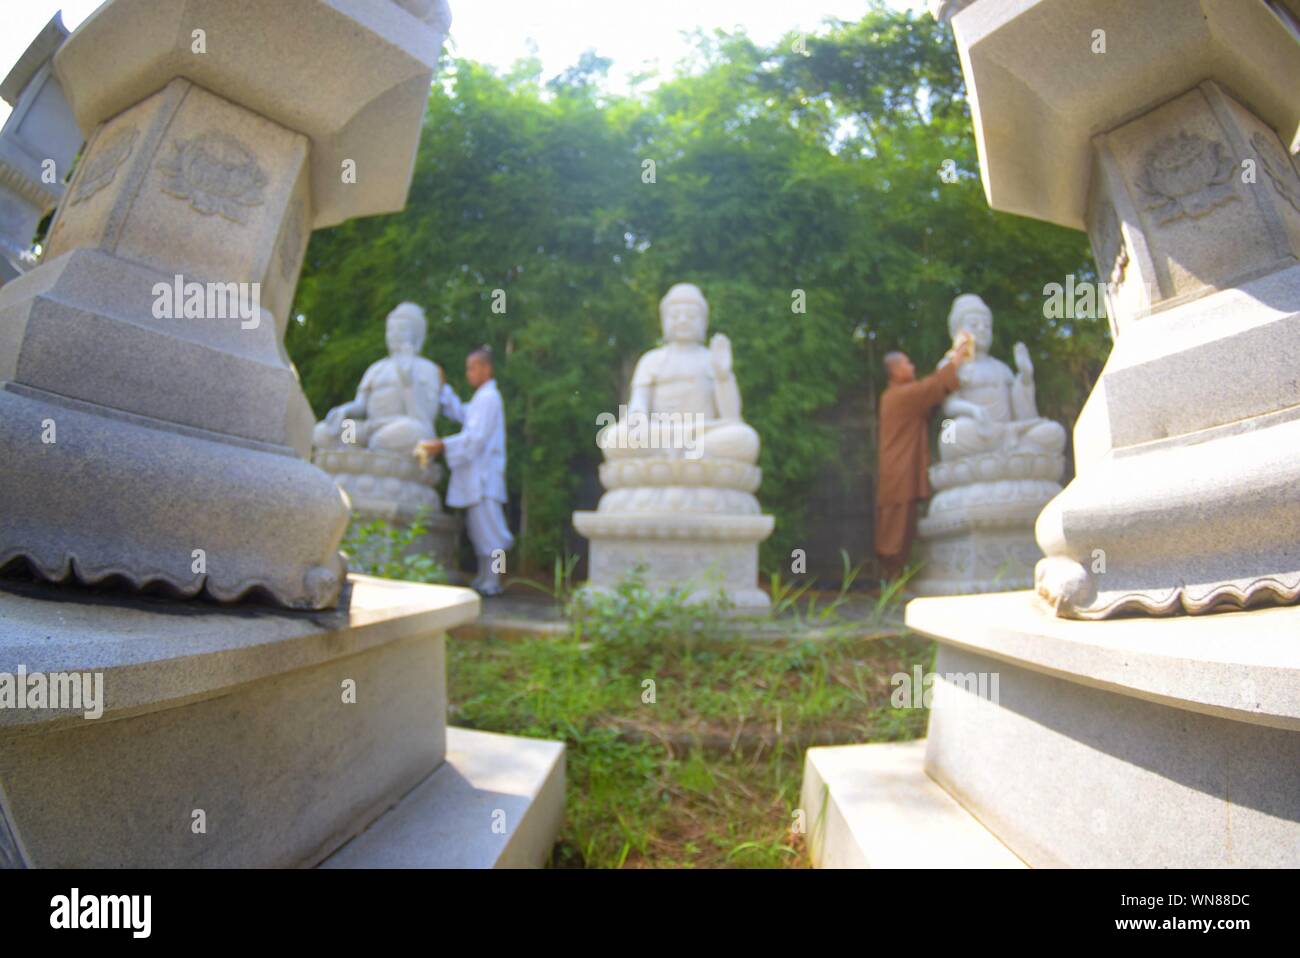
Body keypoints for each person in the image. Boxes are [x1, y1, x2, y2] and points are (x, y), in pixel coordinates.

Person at [874, 331, 974, 581]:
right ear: (895, 371)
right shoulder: (897, 396)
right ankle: (891, 579)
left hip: (902, 469)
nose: (912, 366)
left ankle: (895, 578)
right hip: (898, 471)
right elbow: (932, 386)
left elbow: (931, 392)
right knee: (894, 528)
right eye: (907, 363)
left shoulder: (904, 394)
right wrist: (957, 357)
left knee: (903, 526)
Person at [415, 348, 513, 596]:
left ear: (485, 368)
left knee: (491, 533)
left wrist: (442, 445)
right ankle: (485, 577)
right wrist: (443, 387)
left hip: (484, 479)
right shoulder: (482, 398)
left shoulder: (490, 398)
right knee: (480, 532)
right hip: (476, 479)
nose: (468, 373)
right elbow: (462, 414)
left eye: (472, 368)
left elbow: (476, 438)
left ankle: (495, 580)